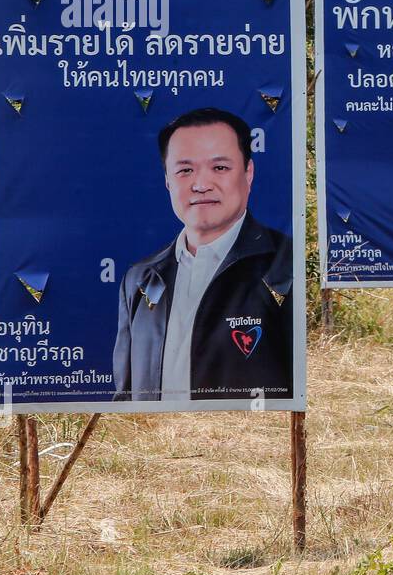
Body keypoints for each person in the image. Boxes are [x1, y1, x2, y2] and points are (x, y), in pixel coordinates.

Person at [113, 107, 293, 402]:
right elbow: (125, 397)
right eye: (185, 170)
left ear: (248, 173)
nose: (200, 184)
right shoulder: (140, 279)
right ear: (168, 181)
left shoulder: (287, 265)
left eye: (220, 168)